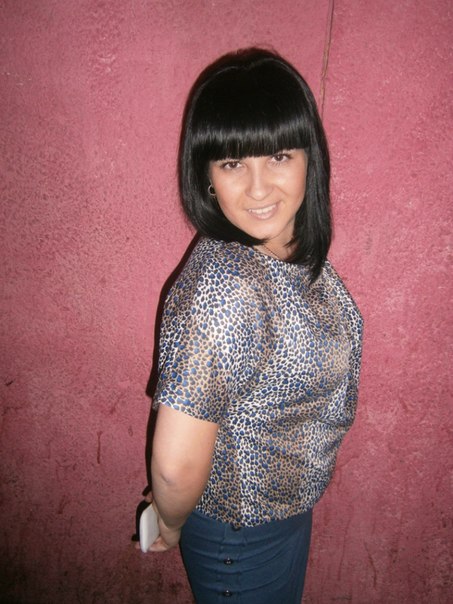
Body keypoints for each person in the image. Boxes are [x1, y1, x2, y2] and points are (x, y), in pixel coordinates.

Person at [145, 48, 363, 603]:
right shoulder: (226, 286)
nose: (259, 189)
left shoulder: (286, 250)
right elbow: (173, 469)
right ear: (207, 176)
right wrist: (168, 524)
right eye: (233, 163)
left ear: (310, 158)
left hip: (282, 515)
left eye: (279, 156)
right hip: (239, 538)